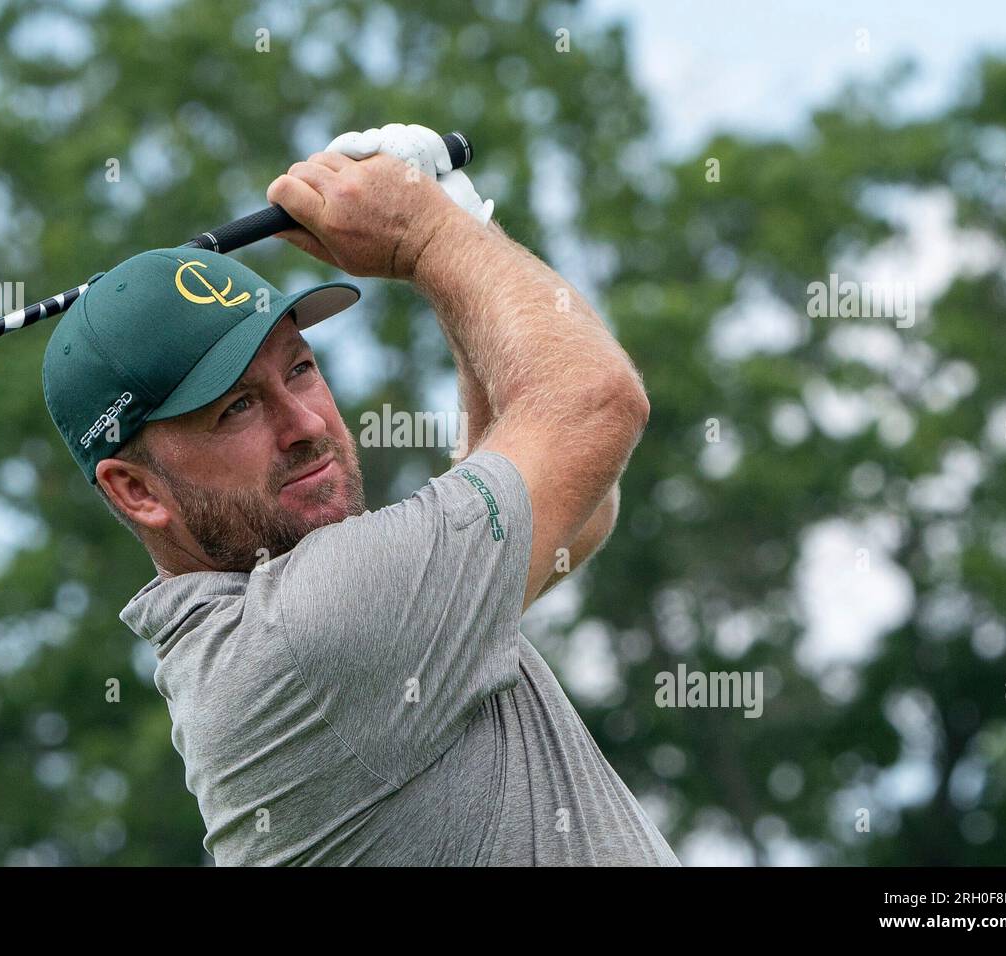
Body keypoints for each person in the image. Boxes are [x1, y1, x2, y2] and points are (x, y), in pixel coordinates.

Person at [41, 124, 678, 866]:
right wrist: (427, 239)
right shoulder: (307, 635)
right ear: (137, 490)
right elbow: (595, 403)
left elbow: (578, 510)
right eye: (236, 407)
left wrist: (459, 230)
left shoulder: (300, 628)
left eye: (301, 369)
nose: (305, 423)